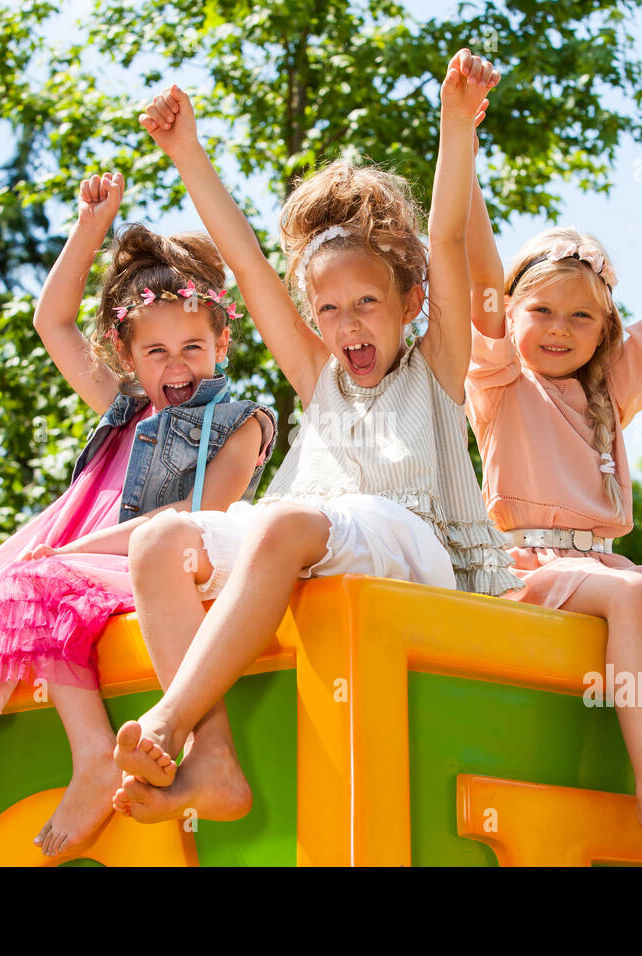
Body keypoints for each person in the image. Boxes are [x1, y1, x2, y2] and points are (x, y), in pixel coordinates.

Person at [105, 51, 519, 824]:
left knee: (290, 523)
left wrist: (455, 127)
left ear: (410, 303)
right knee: (157, 543)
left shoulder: (435, 369)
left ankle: (170, 717)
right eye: (328, 311)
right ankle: (215, 761)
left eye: (366, 303)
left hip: (417, 548)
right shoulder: (319, 375)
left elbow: (451, 236)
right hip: (311, 534)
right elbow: (248, 264)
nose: (347, 324)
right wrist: (185, 151)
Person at [0, 172, 275, 864]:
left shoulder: (236, 423)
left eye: (194, 348)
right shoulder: (123, 410)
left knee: (32, 588)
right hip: (69, 567)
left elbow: (199, 517)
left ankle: (96, 758)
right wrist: (89, 228)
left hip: (145, 569)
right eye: (157, 352)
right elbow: (53, 321)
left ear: (222, 343)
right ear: (128, 357)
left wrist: (73, 553)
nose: (179, 366)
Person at [463, 155, 642, 865]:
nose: (559, 328)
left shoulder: (607, 396)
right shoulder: (501, 379)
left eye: (580, 316)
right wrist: (465, 153)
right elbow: (477, 266)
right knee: (633, 596)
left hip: (600, 561)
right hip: (524, 561)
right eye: (541, 310)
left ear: (603, 331)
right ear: (511, 313)